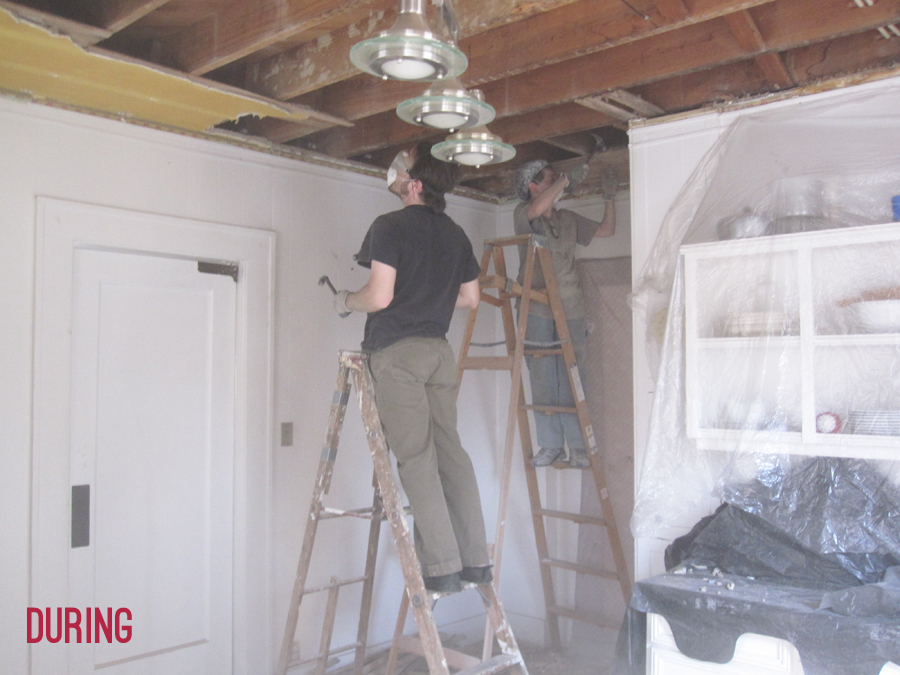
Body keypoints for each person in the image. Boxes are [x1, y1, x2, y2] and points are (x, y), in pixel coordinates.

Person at [332, 142, 491, 594]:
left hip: (397, 353)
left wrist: (345, 301)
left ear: (416, 185)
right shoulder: (455, 233)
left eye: (403, 168)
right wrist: (430, 299)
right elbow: (471, 299)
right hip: (438, 353)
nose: (396, 172)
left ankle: (441, 567)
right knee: (451, 454)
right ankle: (476, 560)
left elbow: (378, 297)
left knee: (419, 459)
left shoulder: (389, 226)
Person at [512, 159, 618, 469]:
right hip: (536, 308)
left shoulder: (567, 219)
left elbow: (607, 230)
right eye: (549, 180)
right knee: (544, 379)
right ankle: (551, 445)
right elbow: (534, 210)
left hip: (571, 306)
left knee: (575, 379)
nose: (556, 182)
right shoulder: (523, 216)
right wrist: (566, 181)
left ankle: (579, 447)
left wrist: (609, 196)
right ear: (533, 186)